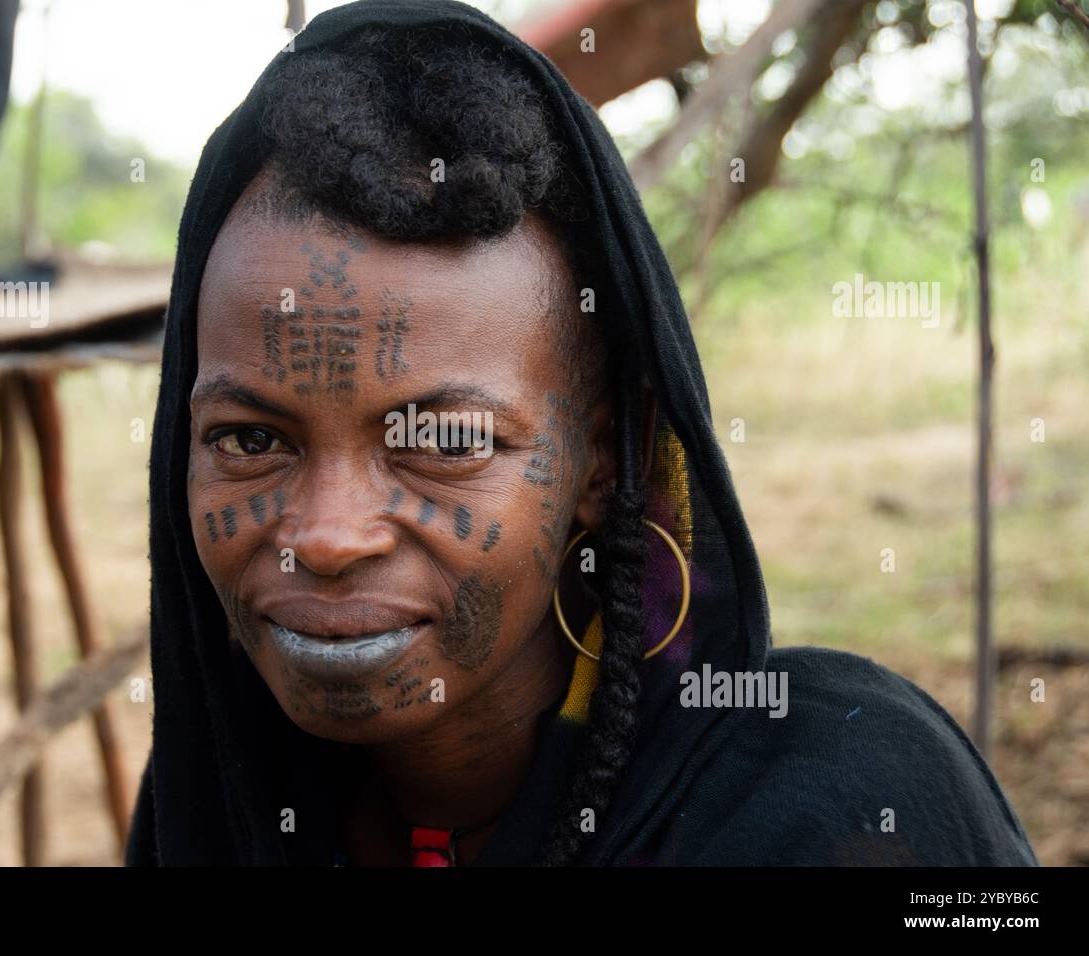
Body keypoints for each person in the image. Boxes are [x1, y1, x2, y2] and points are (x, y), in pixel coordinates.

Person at [126, 0, 1037, 866]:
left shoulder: (841, 812)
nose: (325, 537)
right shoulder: (213, 802)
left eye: (444, 442)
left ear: (603, 458)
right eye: (250, 441)